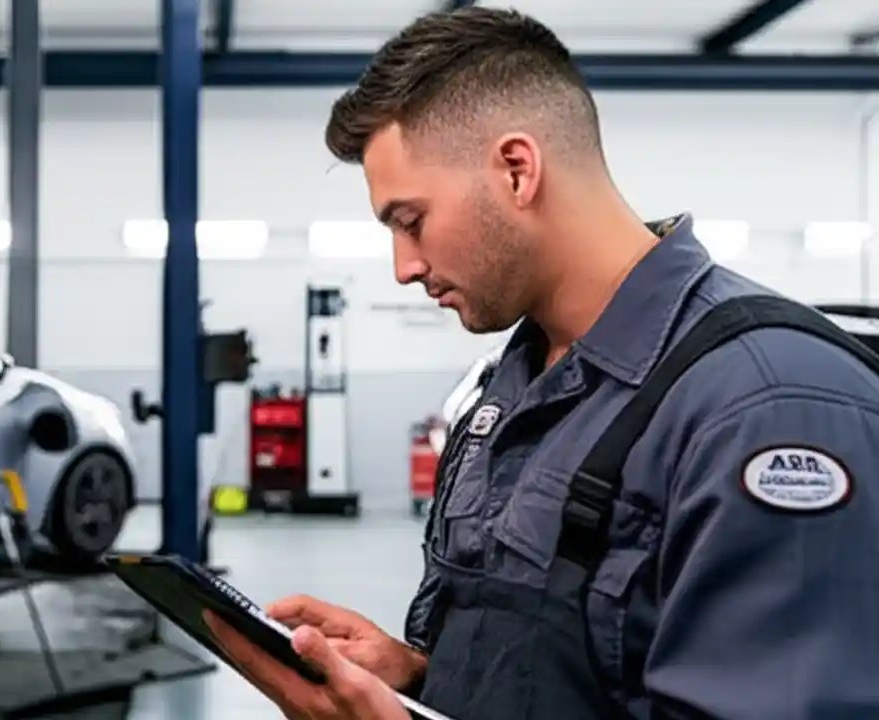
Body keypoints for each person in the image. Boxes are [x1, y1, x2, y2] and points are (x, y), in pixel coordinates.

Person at [203, 6, 879, 719]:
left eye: (410, 221)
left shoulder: (769, 409)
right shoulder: (511, 391)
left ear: (517, 171)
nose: (402, 267)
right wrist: (419, 680)